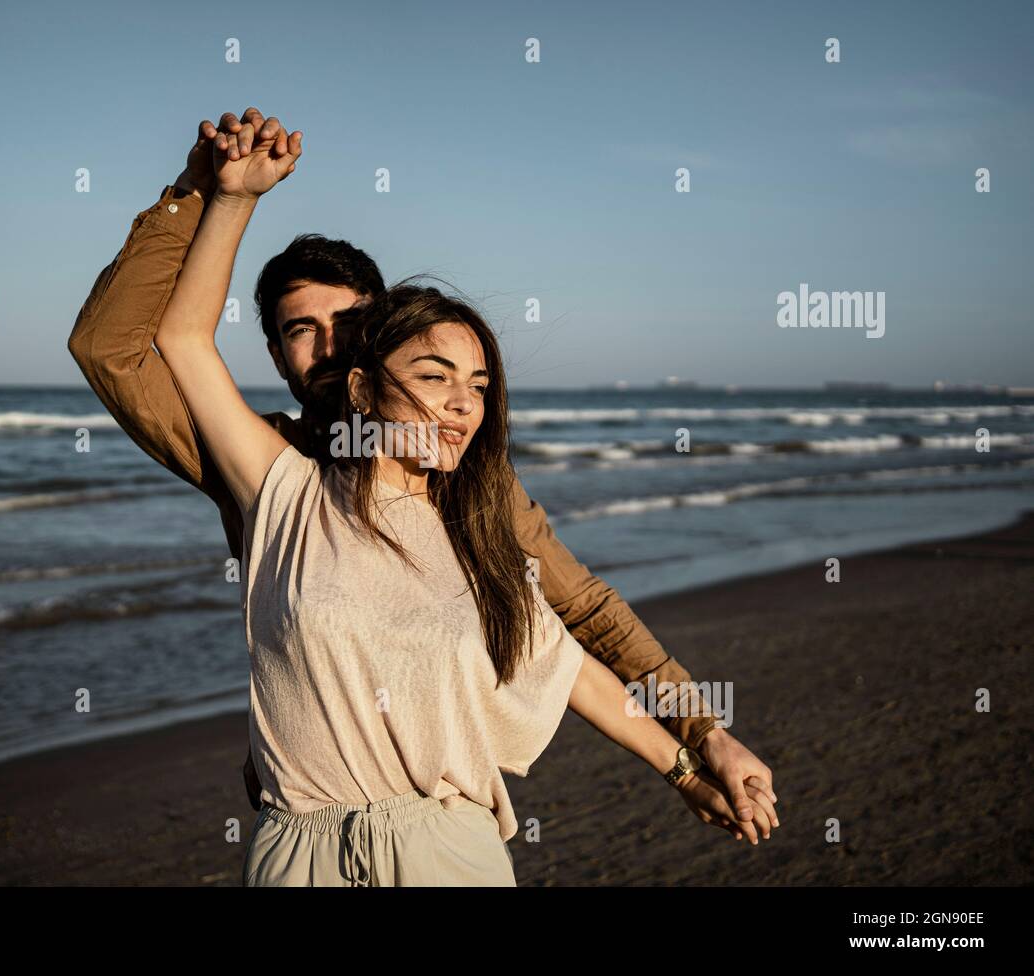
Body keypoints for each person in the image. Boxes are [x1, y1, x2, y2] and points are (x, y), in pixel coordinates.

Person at [67, 108, 779, 858]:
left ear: (384, 341)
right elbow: (114, 347)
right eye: (302, 329)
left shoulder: (465, 478)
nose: (332, 344)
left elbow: (578, 617)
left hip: (440, 822)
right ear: (277, 357)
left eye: (351, 322)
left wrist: (702, 738)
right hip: (303, 825)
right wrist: (199, 189)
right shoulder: (265, 467)